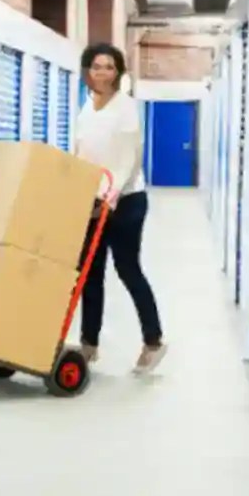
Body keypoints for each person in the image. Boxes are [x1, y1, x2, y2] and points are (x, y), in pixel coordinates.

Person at [73, 43, 167, 374]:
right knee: (89, 273)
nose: (102, 73)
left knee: (127, 269)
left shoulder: (125, 108)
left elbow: (128, 159)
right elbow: (84, 152)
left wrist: (109, 200)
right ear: (87, 70)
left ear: (118, 72)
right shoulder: (87, 107)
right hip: (93, 200)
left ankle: (154, 341)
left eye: (109, 67)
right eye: (96, 66)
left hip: (125, 201)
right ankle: (88, 345)